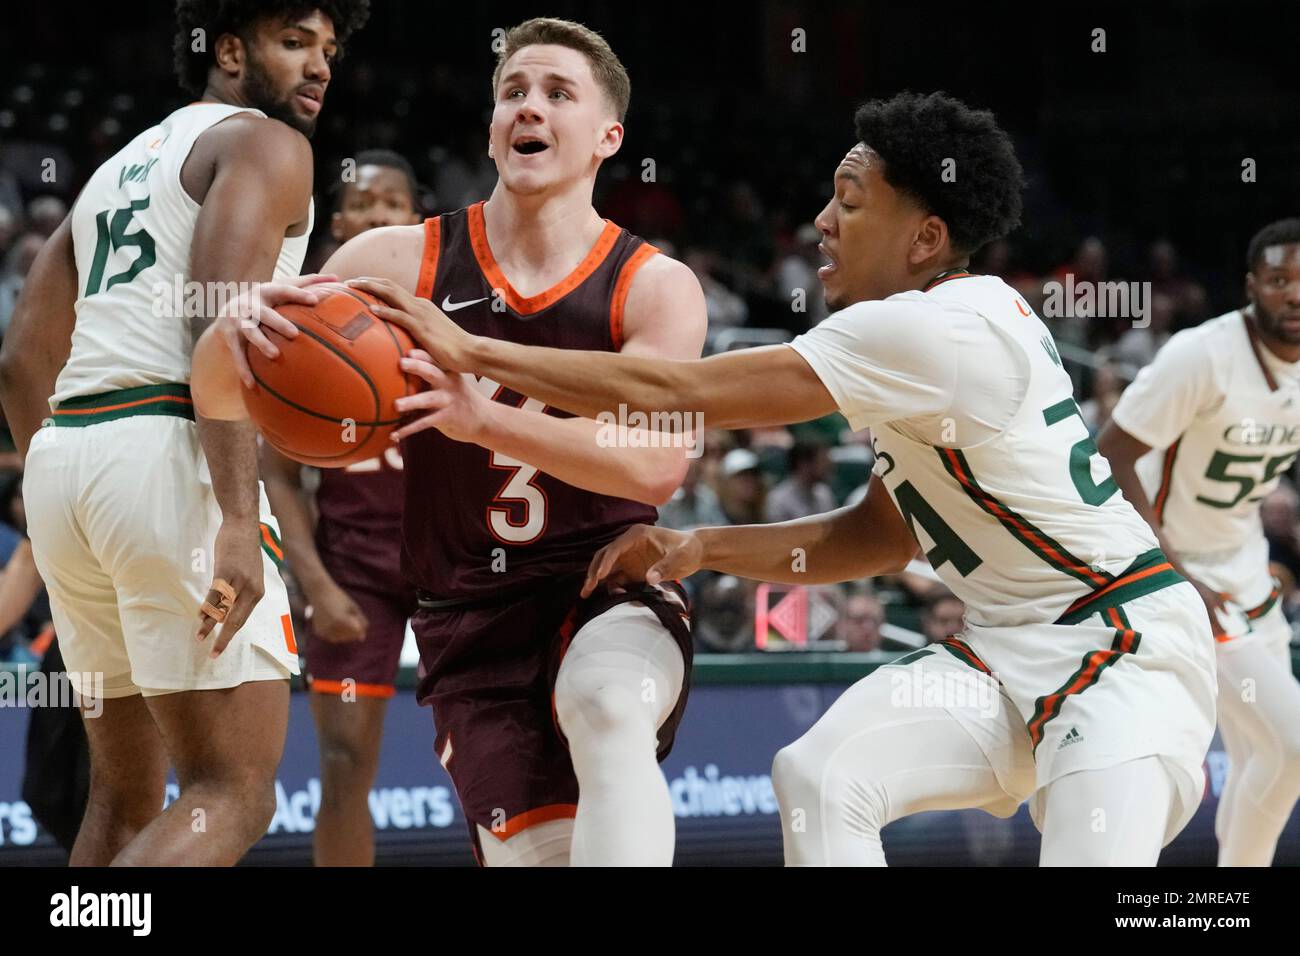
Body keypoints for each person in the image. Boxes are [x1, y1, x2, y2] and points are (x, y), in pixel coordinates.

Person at [365, 91, 1218, 866]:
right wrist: (699, 546)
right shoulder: (928, 333)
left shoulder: (929, 333)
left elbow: (675, 394)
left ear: (925, 239)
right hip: (1005, 649)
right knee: (818, 777)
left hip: (1124, 651)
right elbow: (878, 534)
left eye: (849, 203)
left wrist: (467, 349)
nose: (822, 220)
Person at [194, 17, 706, 866]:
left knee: (609, 708)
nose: (527, 108)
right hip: (467, 616)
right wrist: (234, 332)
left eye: (556, 93)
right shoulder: (395, 263)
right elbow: (219, 384)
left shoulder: (654, 286)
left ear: (608, 137)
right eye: (512, 93)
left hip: (606, 582)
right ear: (492, 125)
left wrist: (484, 418)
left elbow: (658, 461)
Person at [0, 0, 371, 866]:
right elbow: (219, 319)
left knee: (123, 800)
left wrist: (70, 496)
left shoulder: (118, 167)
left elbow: (21, 357)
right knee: (230, 790)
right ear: (230, 50)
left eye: (329, 49)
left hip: (71, 460)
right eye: (294, 44)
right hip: (173, 457)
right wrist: (237, 519)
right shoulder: (269, 145)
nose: (320, 66)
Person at [1098, 217, 1300, 866]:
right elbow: (1112, 454)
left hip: (1244, 569)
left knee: (1269, 759)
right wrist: (1173, 572)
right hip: (1175, 579)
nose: (1294, 295)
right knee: (1288, 747)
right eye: (1278, 281)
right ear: (1251, 287)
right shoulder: (1202, 356)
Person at [260, 149, 421, 867]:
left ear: (415, 220)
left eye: (394, 203)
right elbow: (279, 476)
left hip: (457, 564)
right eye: (363, 203)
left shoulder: (451, 314)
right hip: (354, 567)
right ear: (337, 221)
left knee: (491, 763)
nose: (379, 215)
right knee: (346, 765)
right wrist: (315, 582)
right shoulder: (302, 316)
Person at [766, 441, 835, 522]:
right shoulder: (779, 500)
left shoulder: (824, 493)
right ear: (803, 465)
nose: (829, 465)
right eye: (823, 460)